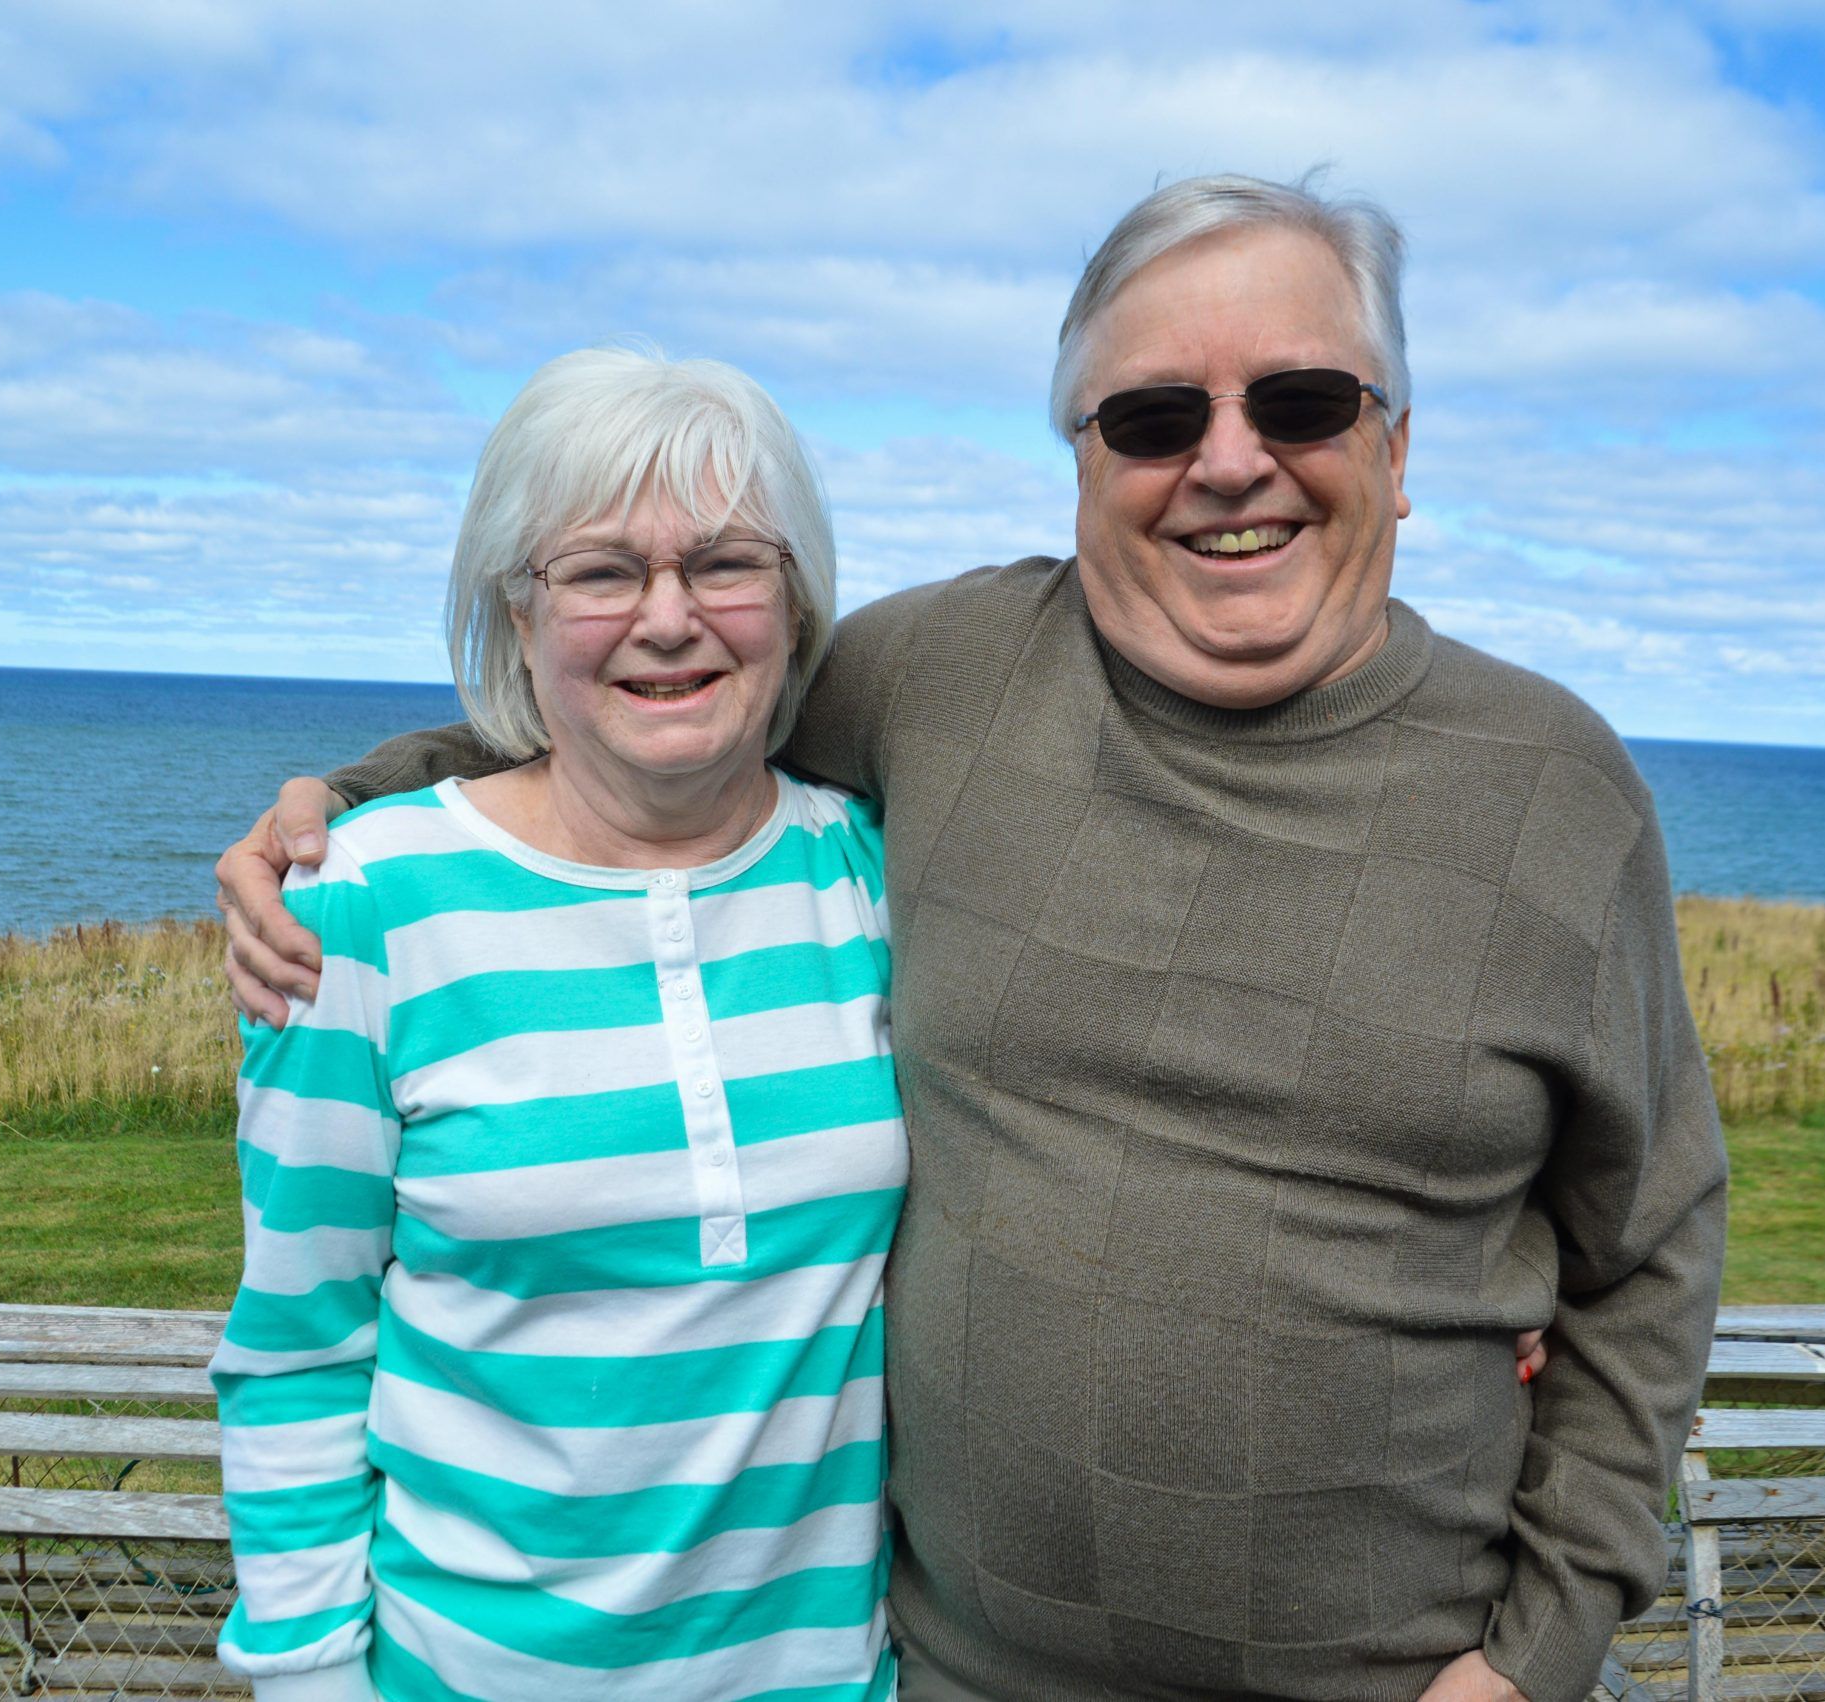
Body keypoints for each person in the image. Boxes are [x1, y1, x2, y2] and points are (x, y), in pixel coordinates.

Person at [221, 174, 1725, 1702]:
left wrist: (1534, 1656)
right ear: (1081, 458)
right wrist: (337, 810)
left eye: (1302, 401)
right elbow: (649, 724)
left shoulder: (1556, 791)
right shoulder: (943, 681)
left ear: (1395, 449)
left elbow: (1651, 1254)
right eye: (1154, 417)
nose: (1228, 462)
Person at [212, 346, 906, 1702]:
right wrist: (306, 1679)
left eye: (726, 564)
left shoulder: (873, 880)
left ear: (796, 601)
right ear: (517, 611)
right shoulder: (364, 903)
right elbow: (299, 1347)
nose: (669, 618)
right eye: (602, 572)